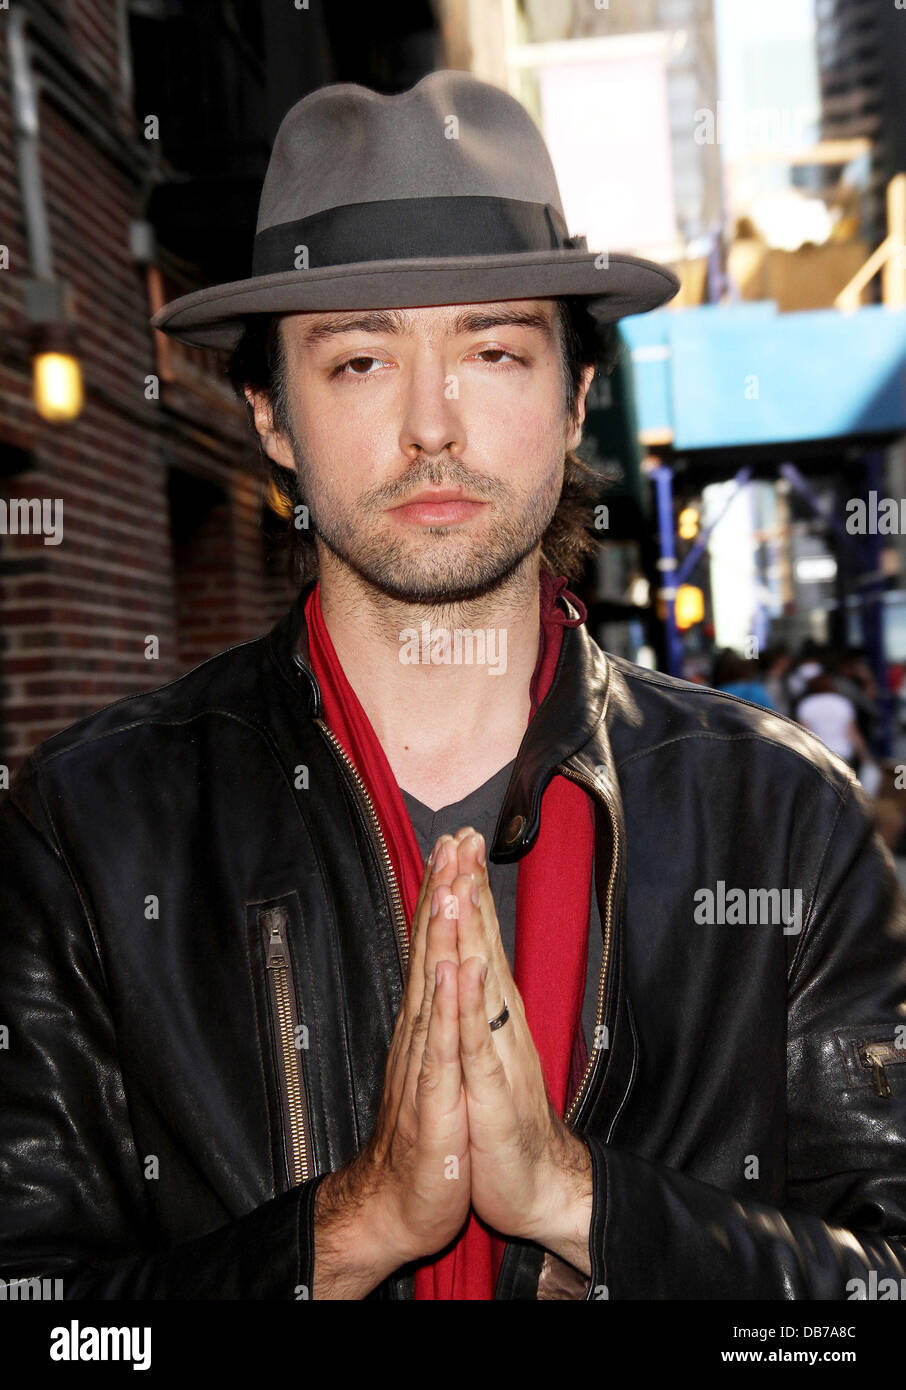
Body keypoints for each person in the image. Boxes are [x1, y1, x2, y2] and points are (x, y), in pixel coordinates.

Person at [1, 70, 905, 1303]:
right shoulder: (87, 835)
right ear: (270, 414)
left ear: (576, 393)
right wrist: (352, 1227)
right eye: (362, 361)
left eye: (491, 348)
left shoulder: (783, 820)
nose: (434, 423)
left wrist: (584, 1204)